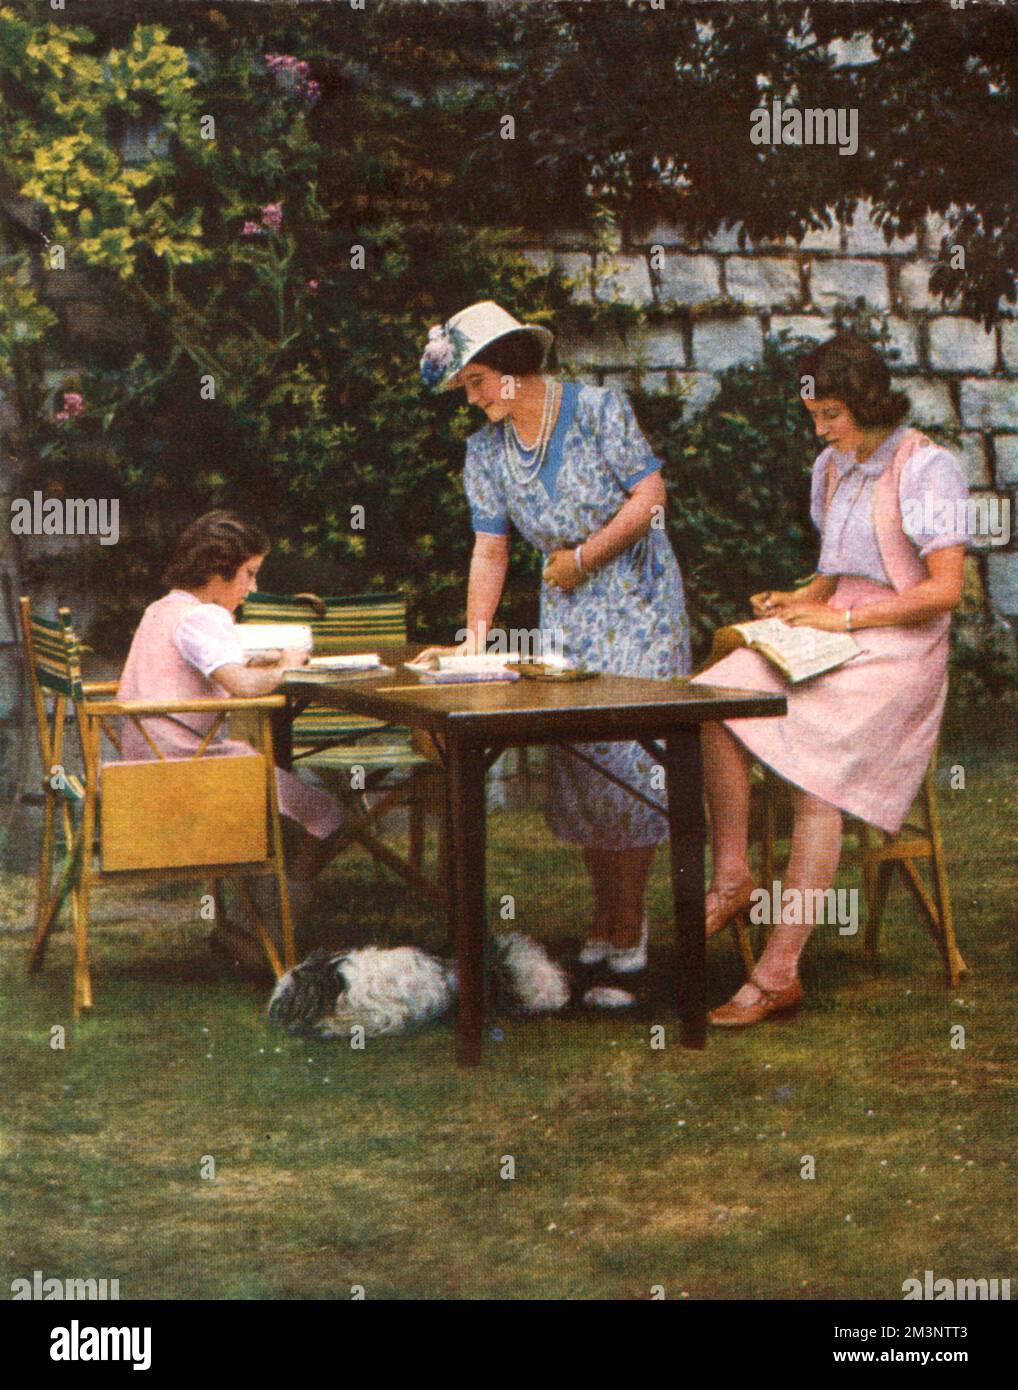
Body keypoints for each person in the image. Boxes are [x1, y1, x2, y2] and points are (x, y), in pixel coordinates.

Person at [691, 332, 969, 1027]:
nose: (819, 430)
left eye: (831, 415)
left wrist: (841, 624)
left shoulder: (928, 468)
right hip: (833, 632)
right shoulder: (832, 467)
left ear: (870, 404)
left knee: (817, 779)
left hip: (896, 653)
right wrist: (800, 601)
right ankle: (731, 877)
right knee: (716, 694)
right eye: (814, 415)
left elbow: (945, 593)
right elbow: (834, 573)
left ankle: (778, 972)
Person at [419, 300, 691, 976]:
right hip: (567, 612)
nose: (472, 396)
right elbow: (490, 549)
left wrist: (585, 557)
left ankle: (630, 926)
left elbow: (650, 496)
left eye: (478, 381)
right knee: (585, 763)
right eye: (465, 387)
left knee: (630, 761)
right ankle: (607, 916)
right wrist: (474, 641)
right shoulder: (484, 450)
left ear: (512, 366)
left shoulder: (597, 410)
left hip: (638, 600)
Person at [116, 510, 347, 968]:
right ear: (217, 572)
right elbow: (240, 687)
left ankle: (246, 927)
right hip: (198, 777)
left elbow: (217, 674)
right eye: (249, 575)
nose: (252, 589)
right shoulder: (204, 618)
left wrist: (265, 666)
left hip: (144, 773)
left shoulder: (162, 610)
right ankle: (263, 936)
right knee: (331, 815)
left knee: (288, 805)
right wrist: (286, 667)